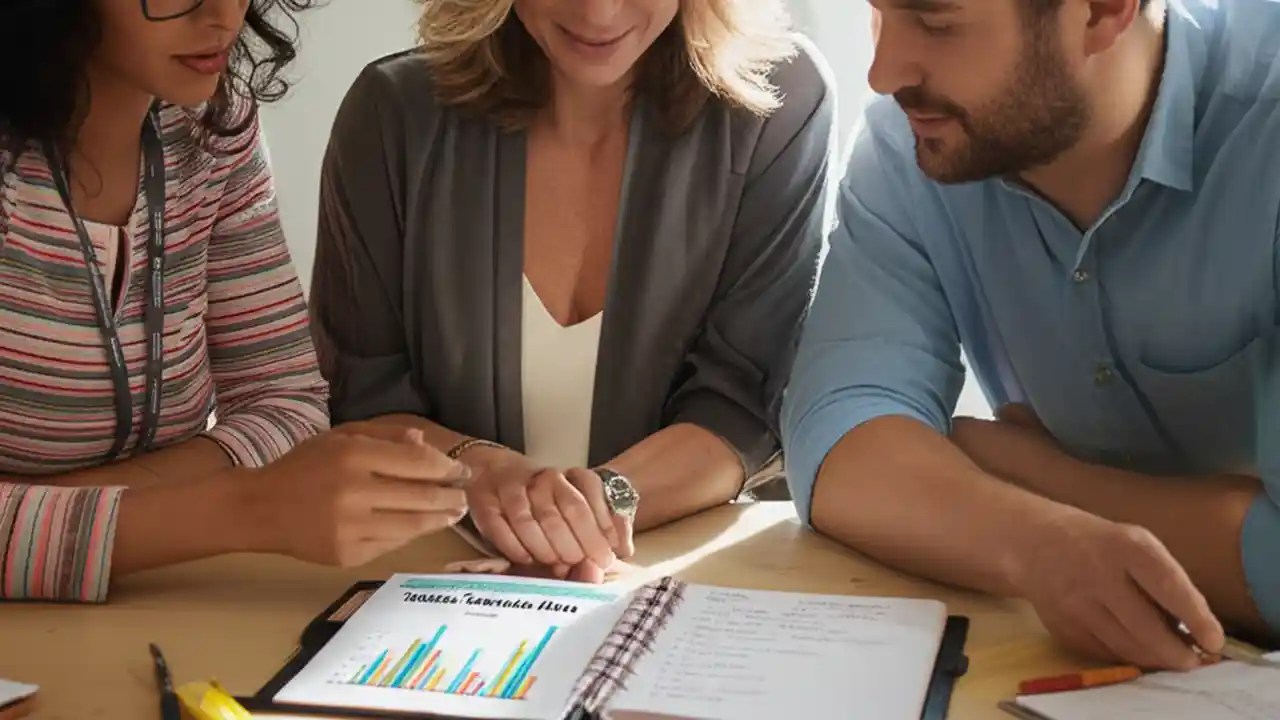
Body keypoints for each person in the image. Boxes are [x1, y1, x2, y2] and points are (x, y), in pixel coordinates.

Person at [783, 0, 1280, 671]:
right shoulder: (915, 148)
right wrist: (1034, 542)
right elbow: (839, 438)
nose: (881, 72)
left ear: (1103, 12)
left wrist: (1036, 473)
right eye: (876, 12)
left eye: (935, 22)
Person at [309, 0, 835, 580]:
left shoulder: (779, 100)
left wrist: (597, 508)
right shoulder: (391, 113)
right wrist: (478, 472)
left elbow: (742, 404)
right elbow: (362, 398)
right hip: (438, 577)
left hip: (681, 577)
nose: (599, 12)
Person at [0, 0, 469, 603]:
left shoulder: (212, 129)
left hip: (161, 602)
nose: (223, 12)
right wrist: (245, 507)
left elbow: (290, 406)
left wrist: (60, 511)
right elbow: (265, 465)